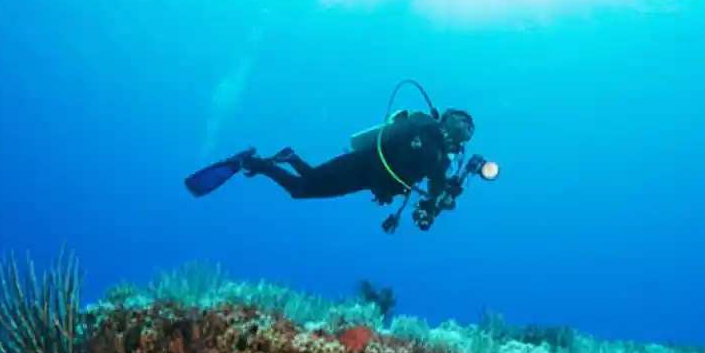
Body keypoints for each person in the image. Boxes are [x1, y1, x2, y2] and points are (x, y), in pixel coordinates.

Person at [187, 105, 493, 232]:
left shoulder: (443, 161)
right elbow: (401, 133)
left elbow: (435, 191)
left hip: (366, 179)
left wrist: (439, 201)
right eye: (461, 120)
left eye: (470, 126)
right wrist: (438, 197)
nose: (466, 127)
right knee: (300, 189)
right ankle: (251, 161)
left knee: (306, 182)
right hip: (363, 165)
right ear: (445, 119)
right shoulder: (425, 126)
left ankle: (290, 157)